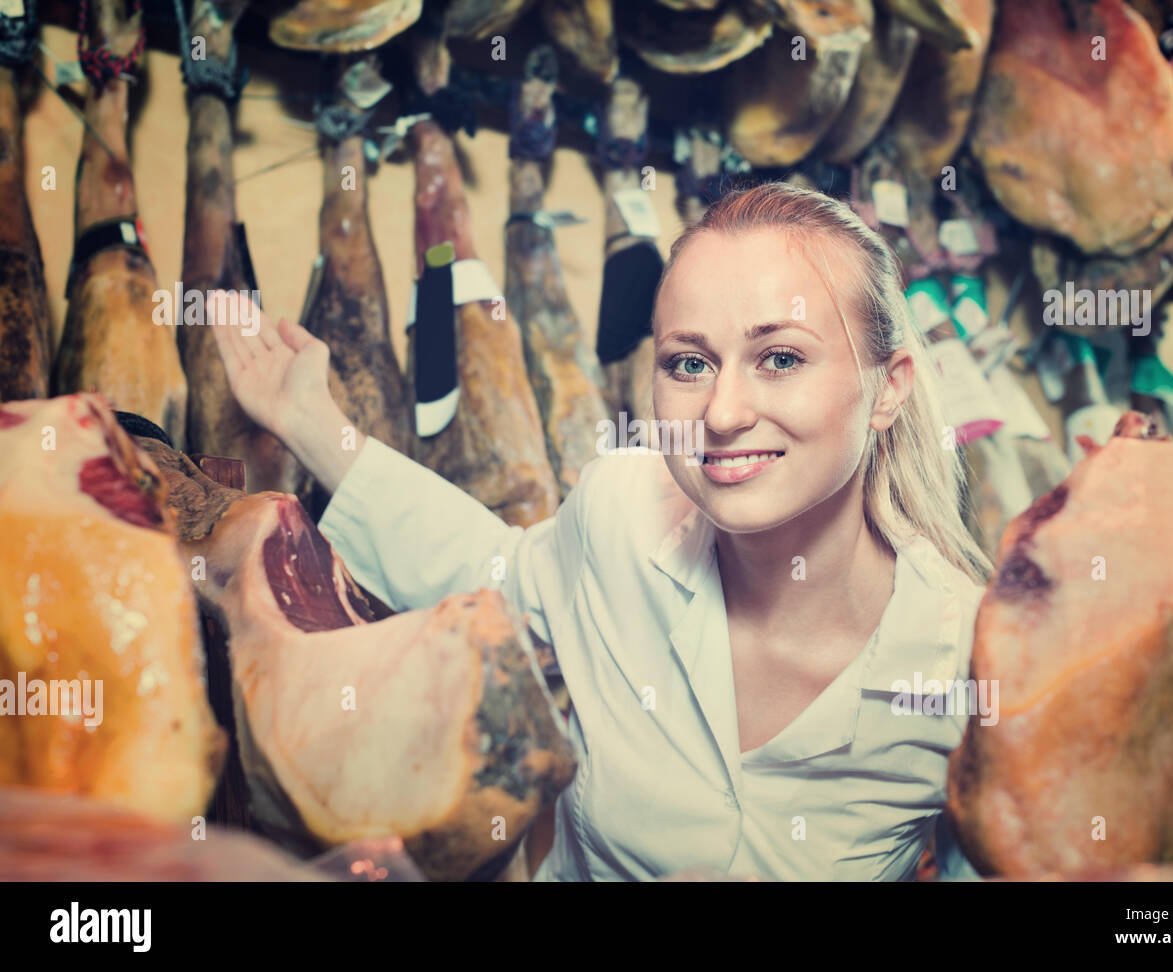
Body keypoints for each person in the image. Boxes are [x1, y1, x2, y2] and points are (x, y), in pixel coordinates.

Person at [209, 181, 992, 881]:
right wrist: (313, 425)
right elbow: (494, 569)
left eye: (780, 358)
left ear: (887, 391)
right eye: (689, 364)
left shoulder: (969, 660)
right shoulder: (624, 510)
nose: (721, 414)